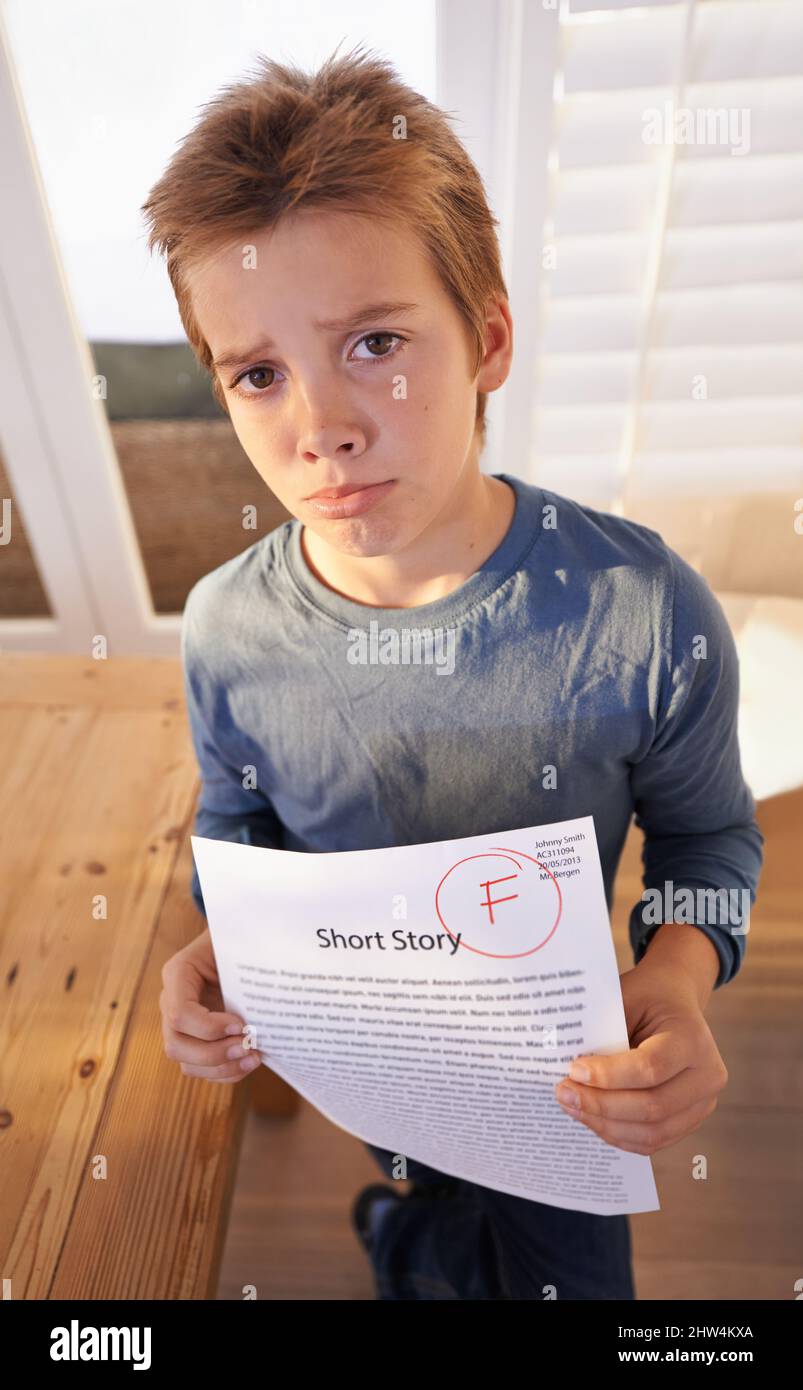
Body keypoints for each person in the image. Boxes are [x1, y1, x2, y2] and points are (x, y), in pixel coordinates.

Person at [147, 45, 764, 1300]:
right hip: (374, 1059)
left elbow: (706, 847)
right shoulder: (224, 628)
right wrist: (219, 944)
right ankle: (404, 1232)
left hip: (561, 1069)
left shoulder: (641, 611)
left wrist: (678, 982)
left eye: (373, 342)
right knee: (432, 1211)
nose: (318, 423)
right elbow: (237, 816)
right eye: (257, 373)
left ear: (486, 341)